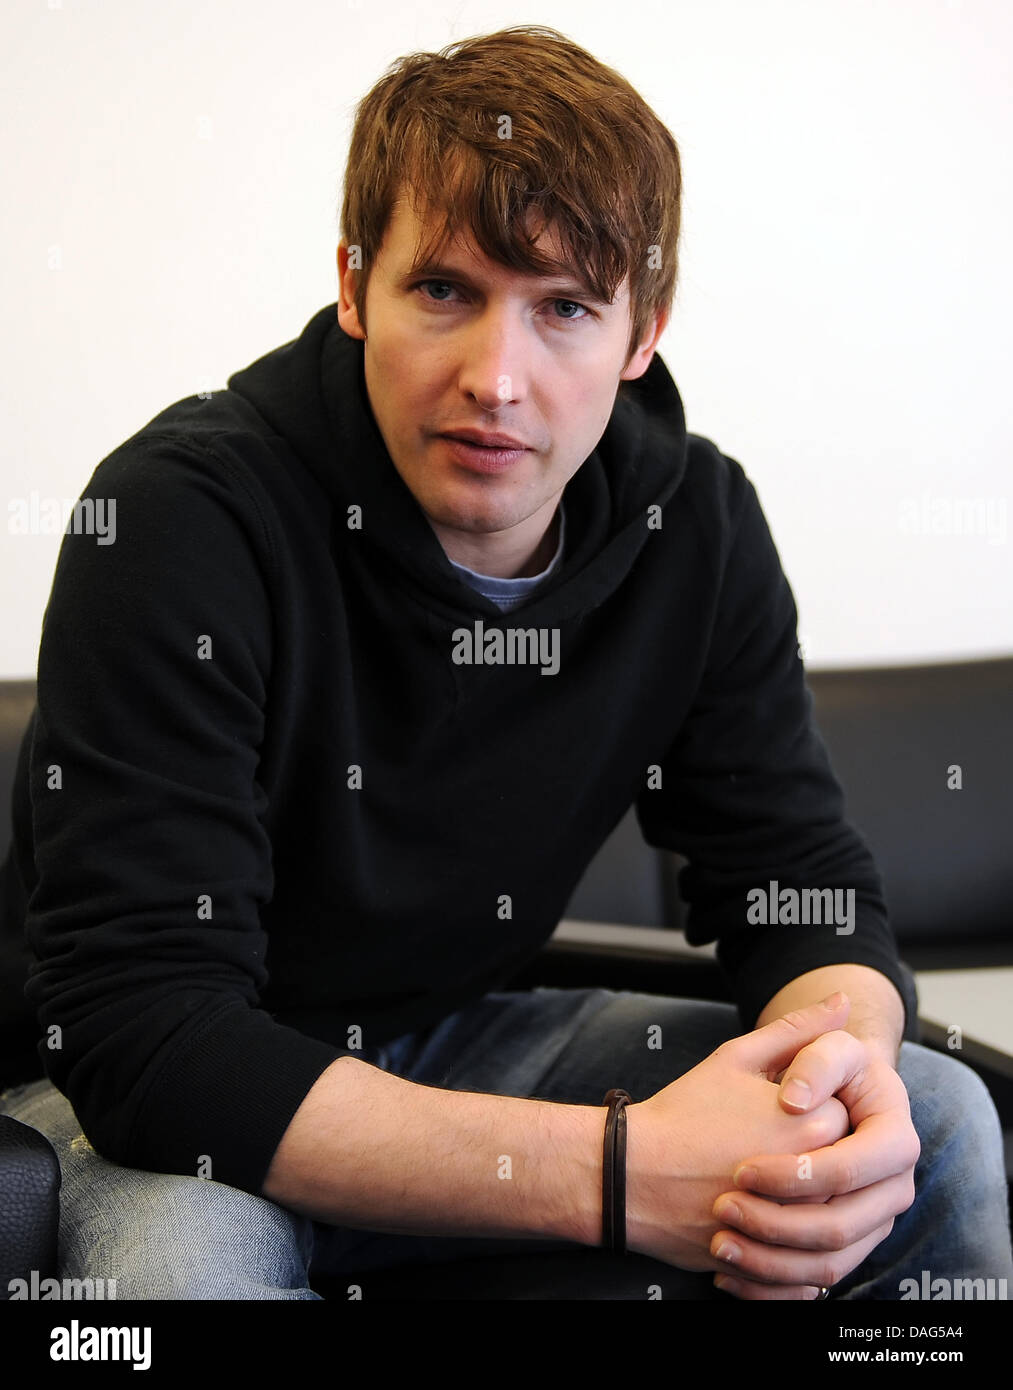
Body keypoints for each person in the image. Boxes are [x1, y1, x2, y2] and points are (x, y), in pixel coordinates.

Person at [1, 24, 1010, 1302]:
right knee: (184, 1282)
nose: (496, 379)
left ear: (640, 333)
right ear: (353, 285)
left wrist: (842, 1060)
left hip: (451, 1044)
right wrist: (615, 1168)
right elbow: (144, 1033)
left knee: (938, 1120)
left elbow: (792, 877)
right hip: (142, 1102)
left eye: (565, 310)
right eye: (443, 292)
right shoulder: (178, 516)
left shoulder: (690, 525)